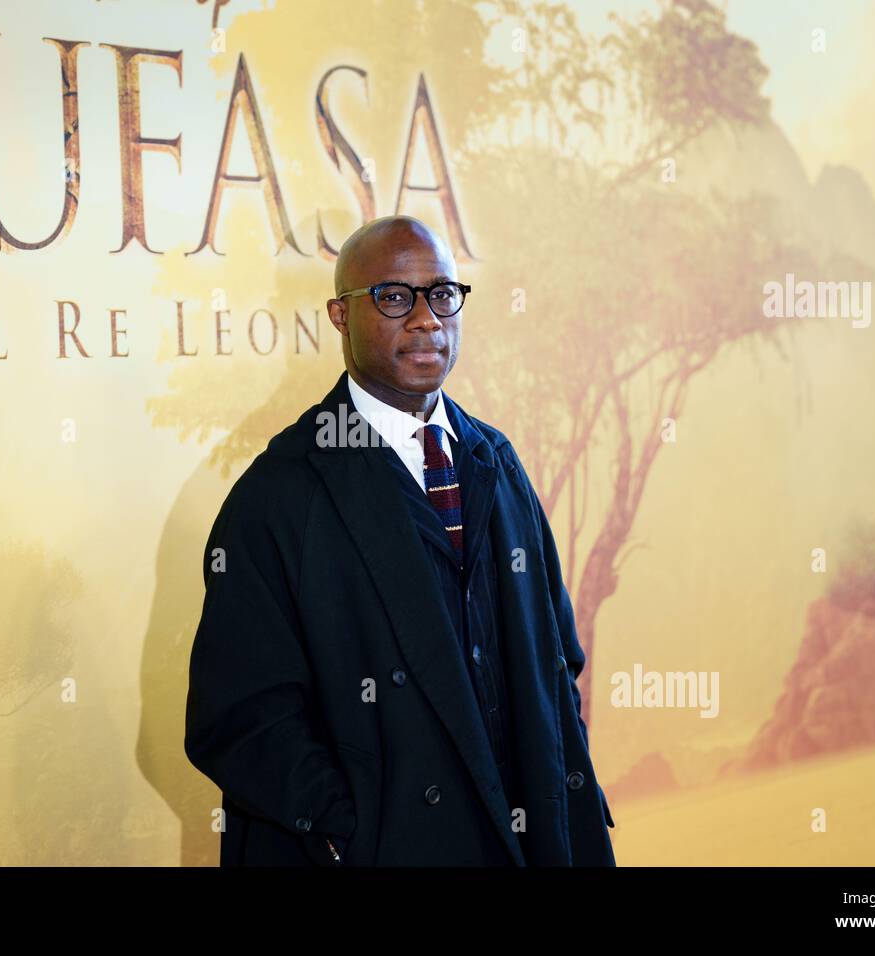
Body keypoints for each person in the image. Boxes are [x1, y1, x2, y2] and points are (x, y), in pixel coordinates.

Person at [183, 215, 616, 866]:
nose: (425, 319)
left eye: (442, 294)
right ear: (339, 315)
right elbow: (238, 718)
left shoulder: (495, 461)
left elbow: (557, 658)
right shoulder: (280, 496)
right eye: (393, 297)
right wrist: (353, 829)